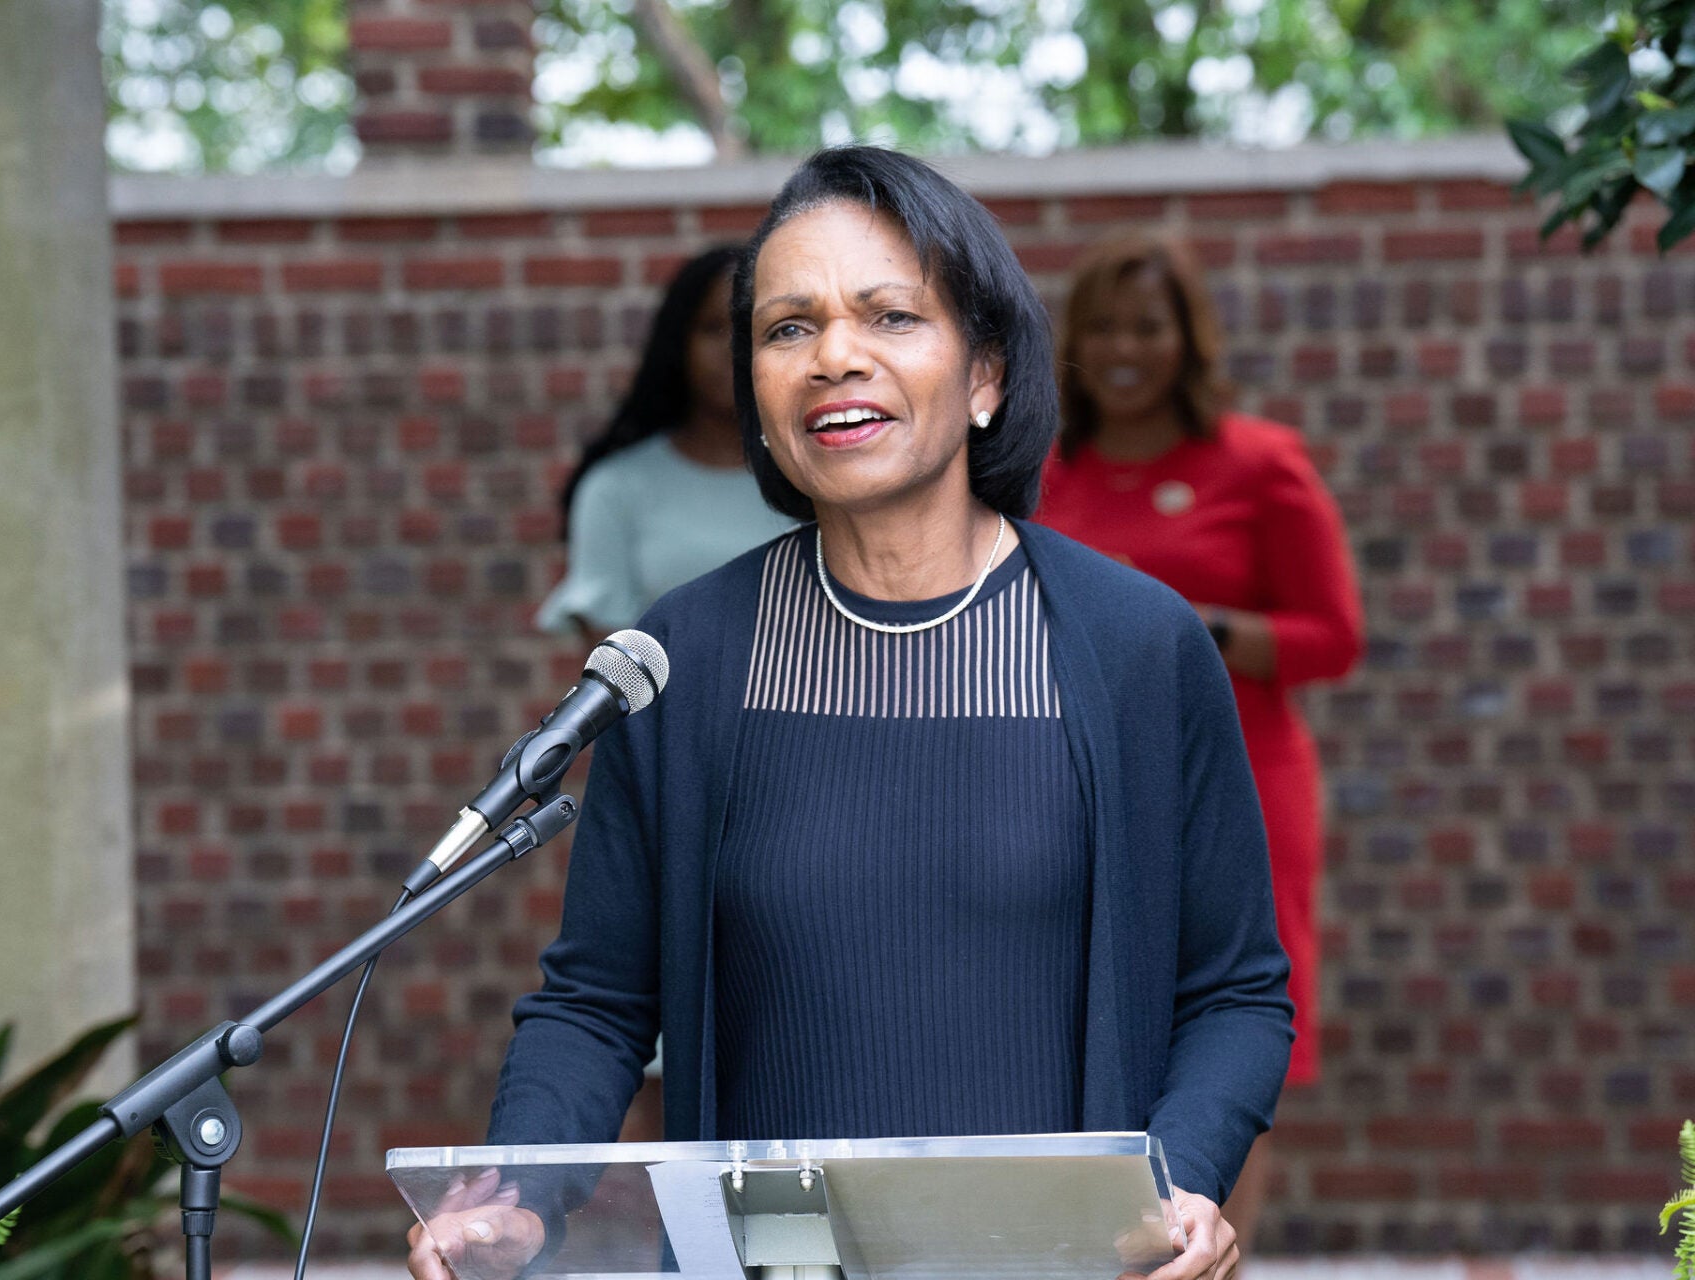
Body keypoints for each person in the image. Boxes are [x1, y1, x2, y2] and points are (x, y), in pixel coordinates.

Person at [409, 148, 1294, 1280]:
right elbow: (597, 997)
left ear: (985, 375)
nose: (834, 355)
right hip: (781, 1259)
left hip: (1065, 1260)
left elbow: (1232, 991)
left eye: (889, 313)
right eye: (787, 328)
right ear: (760, 402)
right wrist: (516, 1191)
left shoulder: (1135, 648)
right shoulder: (686, 656)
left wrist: (1184, 1181)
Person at [1033, 233, 1364, 1247]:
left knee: (1230, 1023)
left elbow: (1333, 635)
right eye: (1104, 326)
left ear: (1189, 337)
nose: (1125, 346)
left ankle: (1213, 1253)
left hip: (1241, 786)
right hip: (1073, 786)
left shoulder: (1258, 461)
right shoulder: (1041, 469)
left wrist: (1188, 628)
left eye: (1149, 324)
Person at [536, 244, 799, 647]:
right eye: (712, 328)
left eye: (749, 329)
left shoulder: (814, 473)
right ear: (678, 343)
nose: (732, 349)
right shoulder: (616, 489)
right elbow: (614, 676)